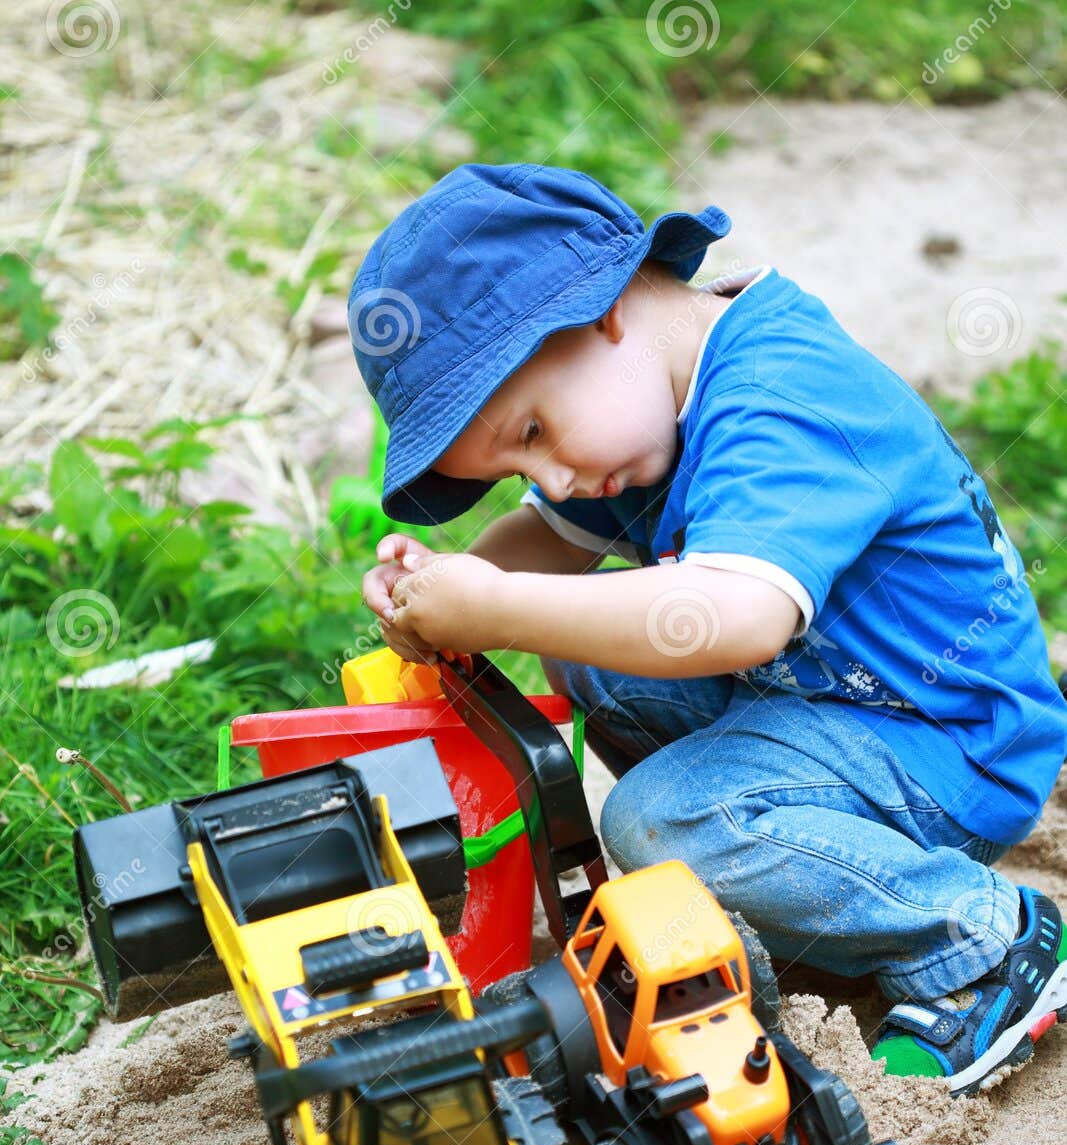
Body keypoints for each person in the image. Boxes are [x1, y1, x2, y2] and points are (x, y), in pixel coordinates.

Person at [349, 162, 1067, 1097]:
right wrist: (449, 590)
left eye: (530, 430)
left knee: (664, 818)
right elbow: (542, 548)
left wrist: (496, 607)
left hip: (942, 743)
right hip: (827, 703)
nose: (552, 479)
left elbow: (736, 619)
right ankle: (801, 878)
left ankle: (974, 938)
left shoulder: (783, 395)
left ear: (601, 313)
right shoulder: (645, 397)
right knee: (583, 648)